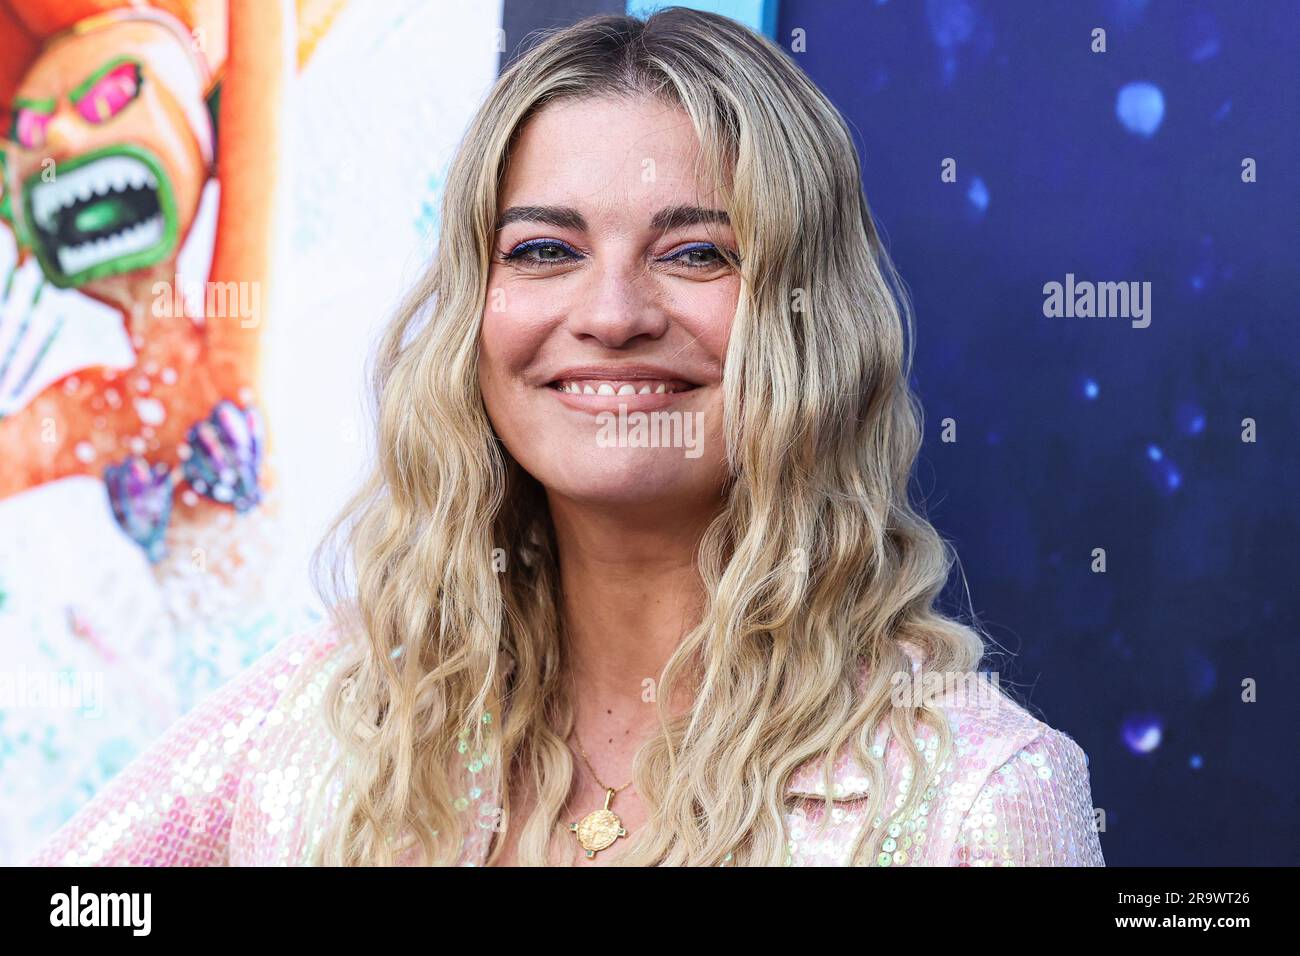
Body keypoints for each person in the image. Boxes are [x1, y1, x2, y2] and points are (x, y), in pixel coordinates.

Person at [28, 7, 1104, 867]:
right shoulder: (319, 725)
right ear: (469, 312)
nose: (613, 312)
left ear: (810, 314)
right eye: (544, 250)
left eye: (695, 254)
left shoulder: (980, 799)